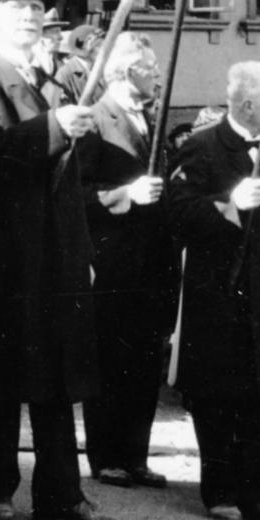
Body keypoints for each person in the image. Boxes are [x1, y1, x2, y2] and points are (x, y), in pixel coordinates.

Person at [0, 0, 116, 520]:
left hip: (61, 248)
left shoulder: (62, 80)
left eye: (36, 7)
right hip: (6, 251)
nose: (28, 15)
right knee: (2, 373)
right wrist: (52, 126)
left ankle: (61, 495)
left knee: (59, 375)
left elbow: (75, 178)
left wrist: (84, 246)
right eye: (14, 6)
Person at [168, 62, 260, 520]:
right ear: (248, 104)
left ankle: (256, 493)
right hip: (218, 292)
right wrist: (228, 205)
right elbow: (178, 213)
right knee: (218, 396)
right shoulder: (201, 147)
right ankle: (220, 492)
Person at [77, 33, 177, 490]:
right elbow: (74, 195)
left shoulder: (151, 121)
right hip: (113, 263)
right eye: (149, 67)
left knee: (145, 362)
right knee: (111, 358)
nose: (157, 74)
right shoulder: (96, 121)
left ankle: (136, 454)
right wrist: (123, 195)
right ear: (124, 71)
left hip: (153, 263)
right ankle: (106, 455)